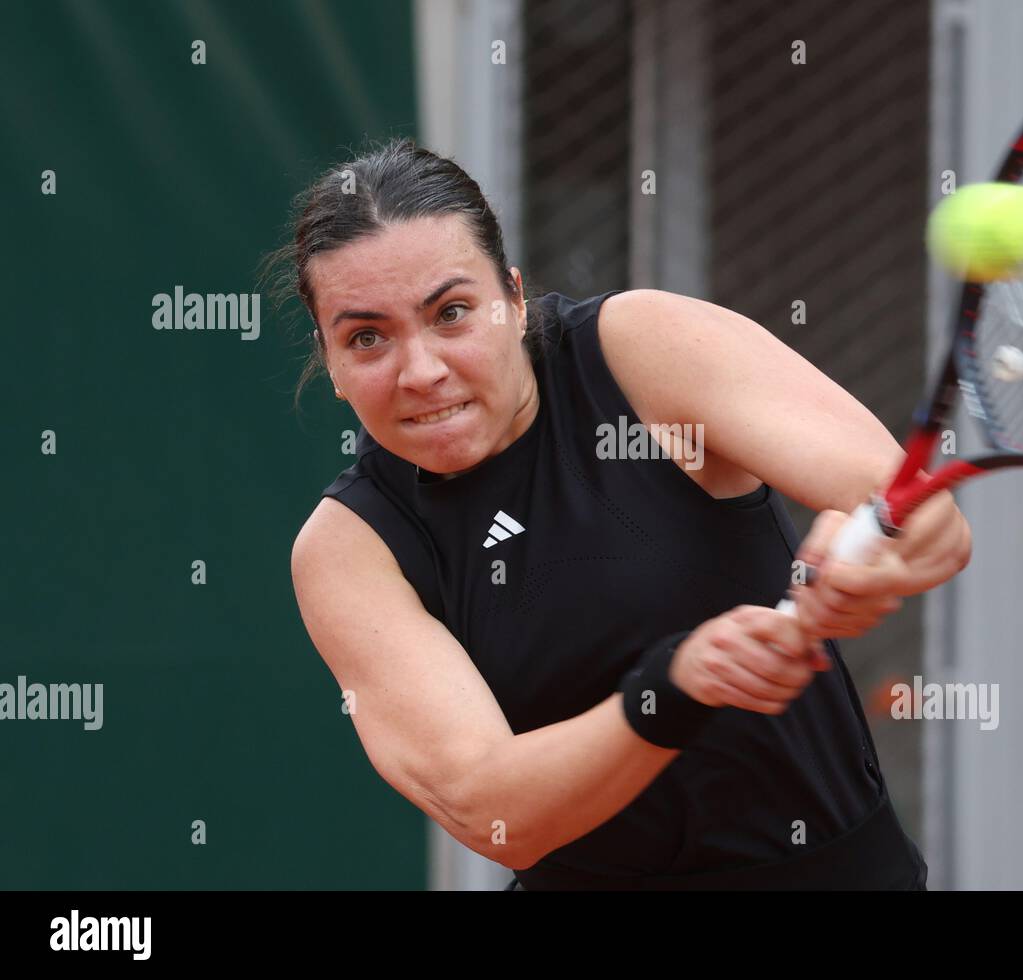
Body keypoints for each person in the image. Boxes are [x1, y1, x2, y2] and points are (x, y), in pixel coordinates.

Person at [280, 138, 971, 889]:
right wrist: (674, 687)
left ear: (512, 300)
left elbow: (922, 514)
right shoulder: (350, 548)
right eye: (368, 338)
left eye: (451, 313)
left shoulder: (641, 352)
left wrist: (862, 547)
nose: (421, 371)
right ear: (333, 364)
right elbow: (491, 810)